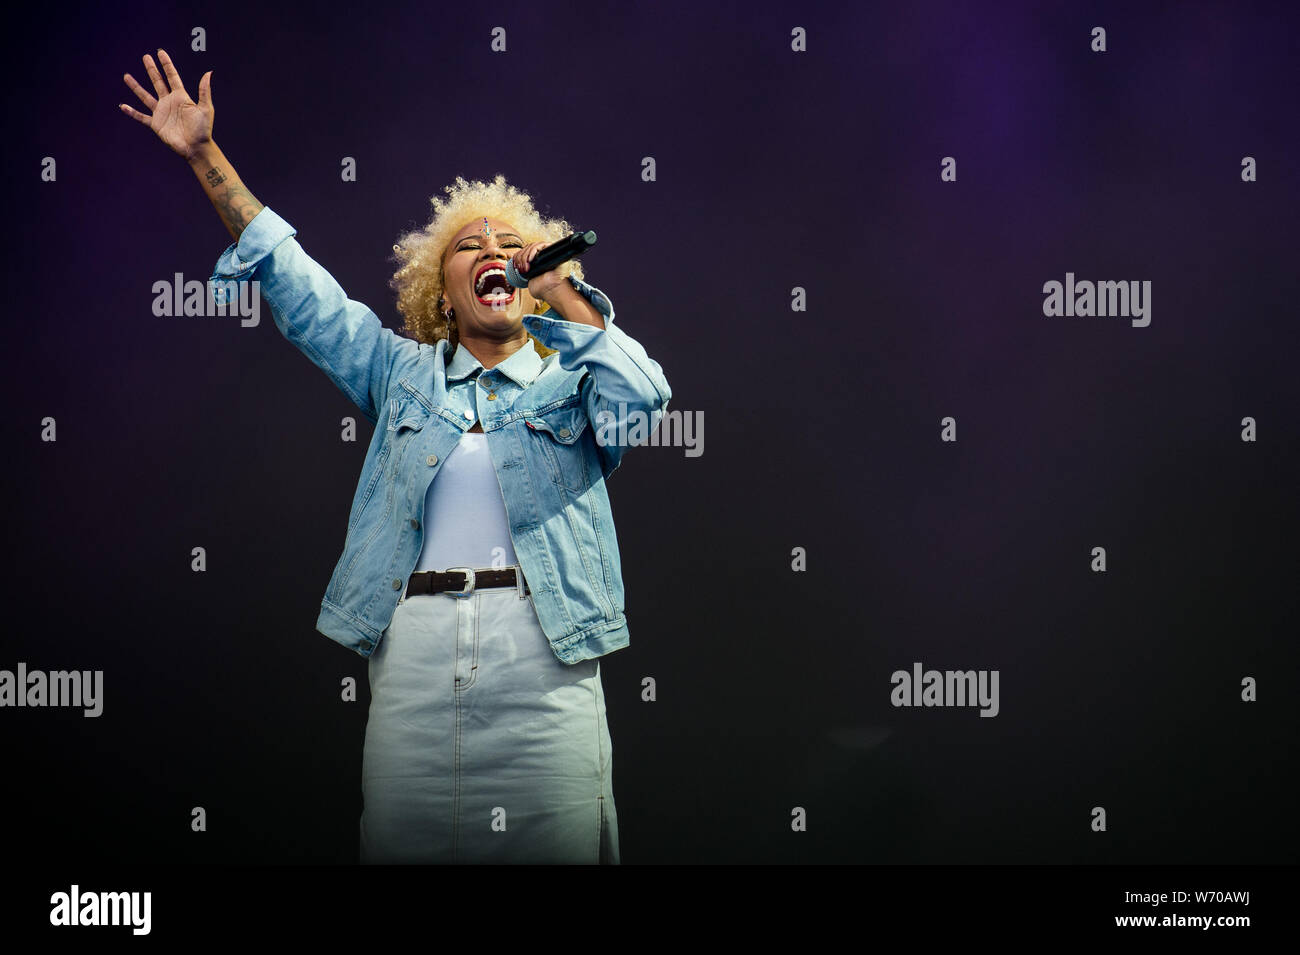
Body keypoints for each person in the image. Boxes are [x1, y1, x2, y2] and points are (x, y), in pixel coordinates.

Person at [120, 49, 671, 864]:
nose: (492, 250)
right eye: (468, 246)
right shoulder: (398, 372)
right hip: (414, 667)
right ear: (436, 288)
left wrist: (560, 290)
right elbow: (295, 283)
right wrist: (206, 155)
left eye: (511, 244)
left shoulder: (573, 383)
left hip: (543, 666)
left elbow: (646, 396)